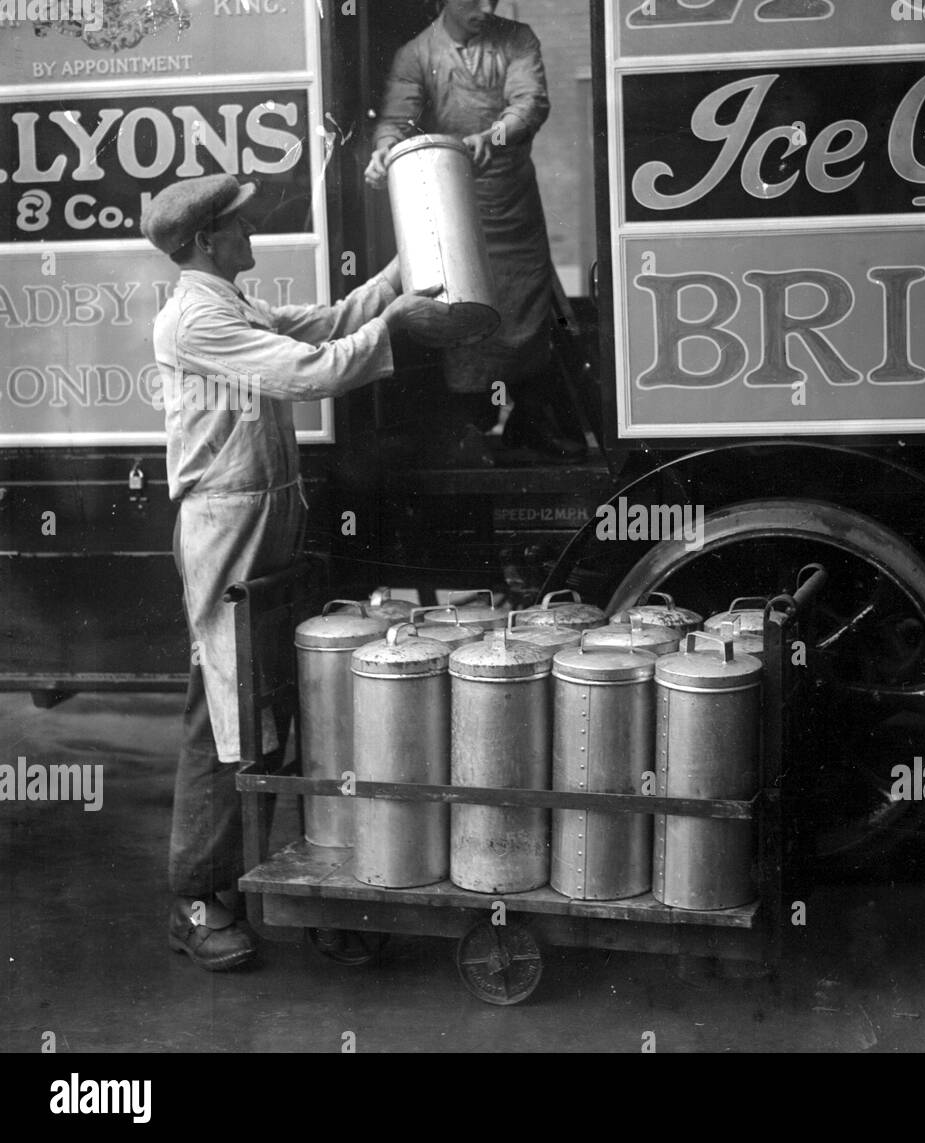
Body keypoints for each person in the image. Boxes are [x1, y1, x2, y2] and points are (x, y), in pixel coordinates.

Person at [142, 173, 456, 971]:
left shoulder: (232, 303)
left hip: (267, 514)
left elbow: (324, 322)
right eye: (241, 225)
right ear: (207, 240)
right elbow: (311, 369)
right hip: (227, 521)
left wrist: (400, 273)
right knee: (226, 715)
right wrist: (399, 321)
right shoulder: (197, 317)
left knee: (285, 703)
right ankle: (196, 900)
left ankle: (301, 883)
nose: (255, 232)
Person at [366, 0, 584, 464]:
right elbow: (395, 119)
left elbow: (530, 103)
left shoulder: (517, 39)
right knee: (460, 304)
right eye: (472, 0)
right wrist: (384, 150)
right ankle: (468, 426)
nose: (486, 8)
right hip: (450, 201)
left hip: (513, 204)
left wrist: (494, 137)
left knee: (524, 306)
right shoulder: (416, 54)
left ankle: (528, 425)